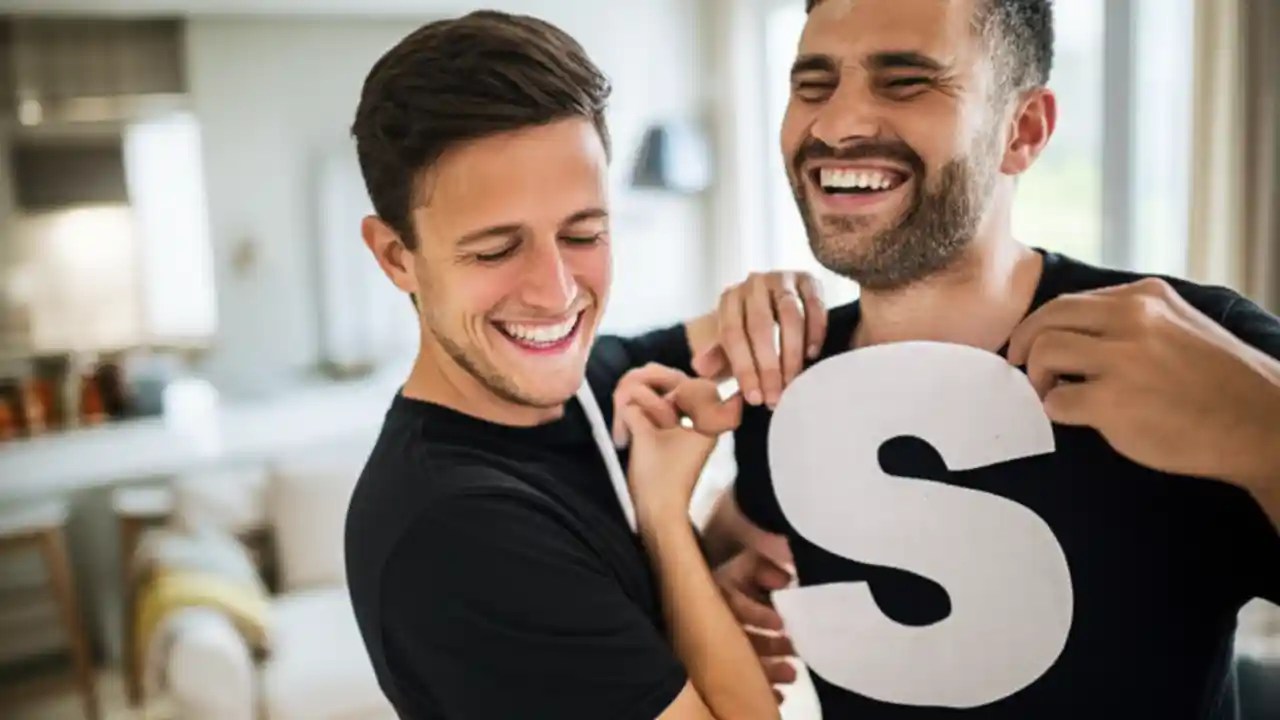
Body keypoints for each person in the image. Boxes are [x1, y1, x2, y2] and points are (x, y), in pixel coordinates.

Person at [680, 0, 1280, 717]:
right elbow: (734, 548)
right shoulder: (785, 375)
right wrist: (714, 589)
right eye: (813, 85)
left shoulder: (1190, 348)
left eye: (905, 82)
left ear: (1022, 130)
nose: (837, 125)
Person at [341, 11, 796, 720]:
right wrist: (666, 521)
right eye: (495, 250)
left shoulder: (590, 384)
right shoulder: (456, 533)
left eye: (583, 234)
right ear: (397, 256)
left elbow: (749, 330)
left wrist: (784, 294)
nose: (555, 293)